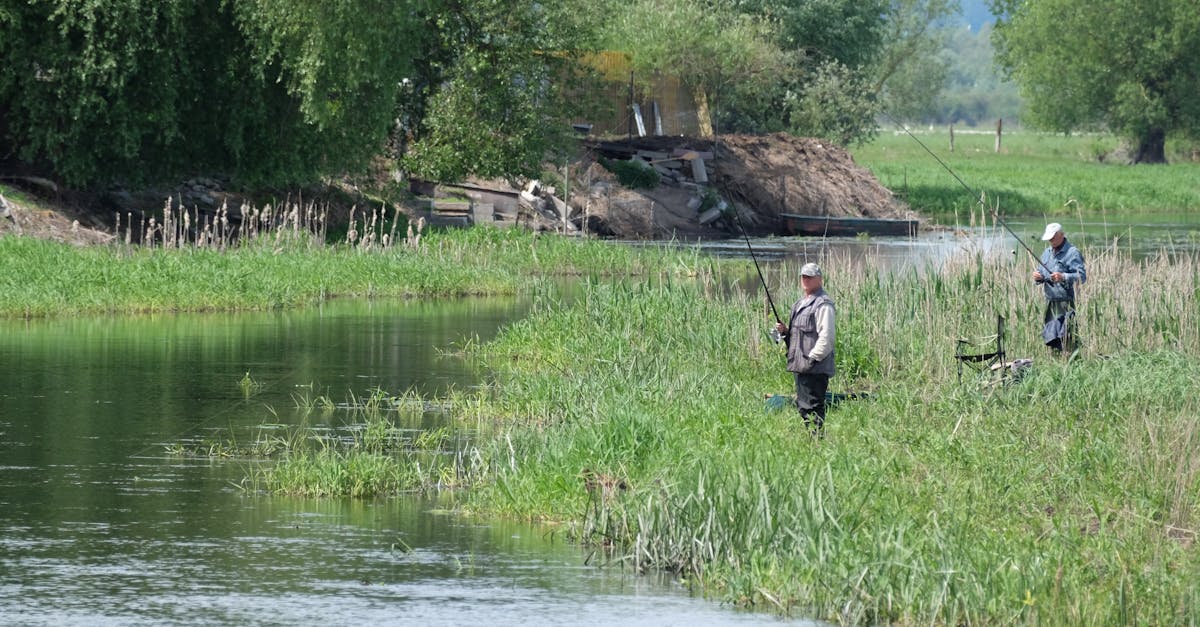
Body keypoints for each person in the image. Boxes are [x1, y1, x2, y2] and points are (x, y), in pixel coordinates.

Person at [774, 262, 835, 435]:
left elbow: (827, 337)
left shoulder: (823, 304)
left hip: (814, 366)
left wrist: (813, 358)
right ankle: (813, 440)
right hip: (801, 365)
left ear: (819, 279)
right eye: (803, 276)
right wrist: (785, 331)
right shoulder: (800, 303)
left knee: (813, 407)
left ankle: (817, 441)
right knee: (804, 407)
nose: (806, 280)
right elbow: (797, 335)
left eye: (810, 277)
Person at [1032, 222, 1086, 353]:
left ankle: (1072, 359)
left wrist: (1063, 276)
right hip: (1050, 302)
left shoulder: (1072, 252)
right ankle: (1055, 359)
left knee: (1067, 335)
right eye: (1049, 238)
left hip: (1066, 302)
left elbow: (1082, 277)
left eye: (1053, 237)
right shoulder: (1047, 253)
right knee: (1051, 336)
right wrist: (1038, 277)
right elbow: (1041, 273)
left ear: (1061, 235)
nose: (1050, 240)